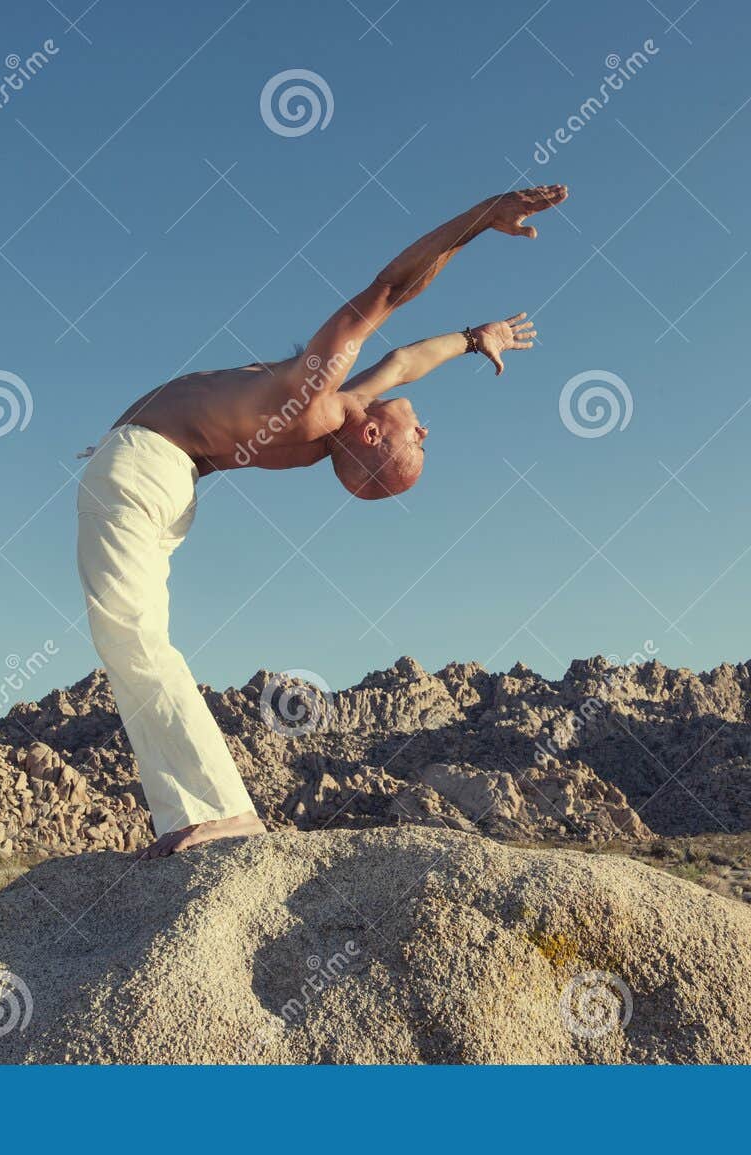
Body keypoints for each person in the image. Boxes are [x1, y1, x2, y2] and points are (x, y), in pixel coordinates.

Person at [75, 185, 568, 857]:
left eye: (416, 438)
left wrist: (482, 218)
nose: (424, 424)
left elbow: (391, 288)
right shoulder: (324, 427)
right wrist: (472, 340)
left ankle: (219, 811)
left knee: (131, 637)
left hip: (148, 470)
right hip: (162, 476)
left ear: (370, 438)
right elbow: (403, 360)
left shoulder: (311, 397)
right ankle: (201, 811)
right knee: (135, 637)